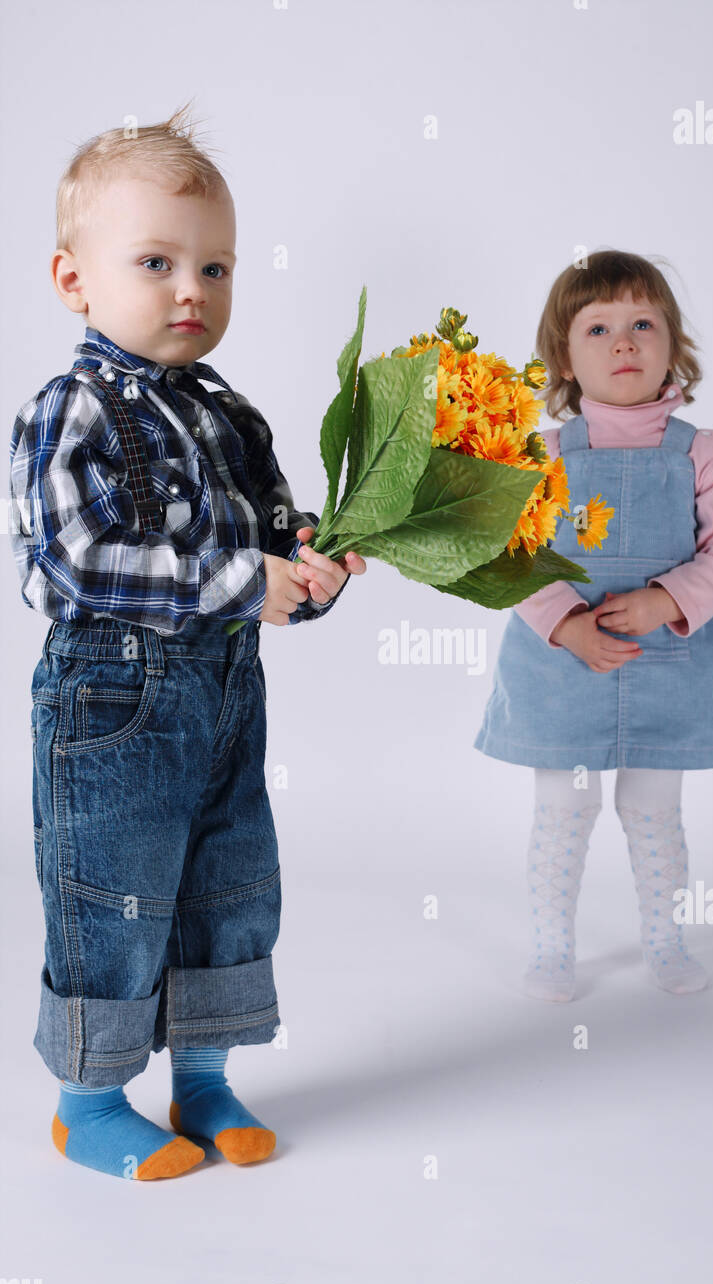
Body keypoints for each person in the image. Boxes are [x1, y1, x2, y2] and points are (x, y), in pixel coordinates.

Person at [8, 102, 366, 1179]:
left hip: (223, 696)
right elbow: (75, 560)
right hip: (111, 705)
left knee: (229, 881)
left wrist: (311, 565)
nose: (190, 291)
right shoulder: (66, 410)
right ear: (73, 278)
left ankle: (204, 1082)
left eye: (217, 269)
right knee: (113, 890)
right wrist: (236, 581)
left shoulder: (227, 411)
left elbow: (270, 534)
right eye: (157, 260)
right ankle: (89, 1099)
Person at [474, 250, 713, 1002]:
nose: (623, 342)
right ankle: (551, 950)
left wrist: (669, 597)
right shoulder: (538, 457)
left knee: (652, 807)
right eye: (596, 328)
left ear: (673, 345)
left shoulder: (705, 453)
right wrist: (563, 620)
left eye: (641, 323)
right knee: (563, 807)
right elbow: (508, 552)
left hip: (670, 663)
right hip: (561, 668)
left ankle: (665, 943)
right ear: (563, 360)